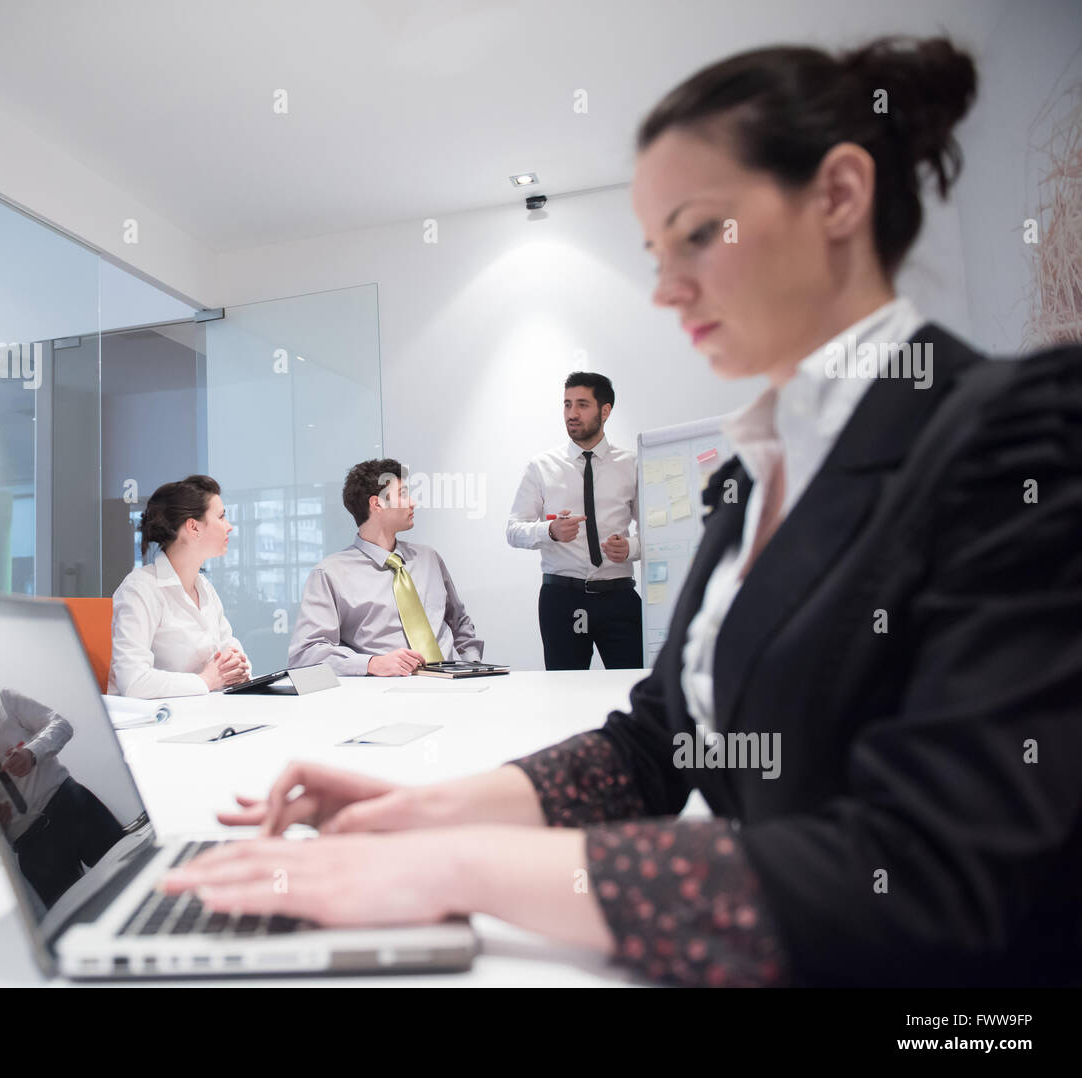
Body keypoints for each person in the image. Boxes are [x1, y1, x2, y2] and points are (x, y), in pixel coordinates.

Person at [156, 37, 1082, 987]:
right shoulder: (752, 480)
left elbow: (941, 879)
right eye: (655, 250)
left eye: (695, 233)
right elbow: (656, 745)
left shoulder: (1019, 432)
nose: (666, 287)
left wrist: (450, 865)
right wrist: (422, 811)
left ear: (839, 196)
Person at [0, 682, 126, 910]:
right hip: (32, 846)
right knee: (76, 919)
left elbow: (61, 725)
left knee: (134, 876)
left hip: (72, 806)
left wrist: (31, 752)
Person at [287, 459, 483, 676]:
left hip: (457, 687)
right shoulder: (330, 574)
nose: (412, 503)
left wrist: (470, 664)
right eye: (403, 494)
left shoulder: (429, 559)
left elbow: (460, 622)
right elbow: (305, 655)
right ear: (377, 504)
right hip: (387, 697)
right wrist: (371, 664)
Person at [507, 372, 643, 670]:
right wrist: (550, 530)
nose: (572, 414)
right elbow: (513, 530)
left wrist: (631, 548)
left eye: (582, 405)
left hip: (618, 596)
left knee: (631, 688)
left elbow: (657, 532)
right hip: (562, 599)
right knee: (563, 694)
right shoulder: (541, 466)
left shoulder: (632, 464)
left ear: (605, 411)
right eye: (567, 405)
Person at [108, 475, 252, 698]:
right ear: (194, 527)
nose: (229, 527)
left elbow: (231, 650)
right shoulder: (140, 589)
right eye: (221, 517)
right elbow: (134, 682)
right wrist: (206, 680)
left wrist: (238, 669)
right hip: (155, 723)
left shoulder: (205, 588)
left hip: (203, 714)